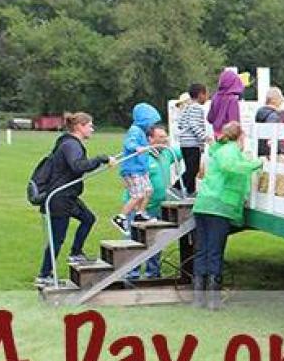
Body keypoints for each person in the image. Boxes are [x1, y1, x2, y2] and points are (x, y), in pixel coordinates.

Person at [35, 112, 114, 287]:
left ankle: (76, 253)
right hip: (59, 197)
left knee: (88, 218)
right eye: (90, 126)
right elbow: (77, 166)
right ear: (79, 126)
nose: (92, 129)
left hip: (68, 196)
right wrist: (100, 159)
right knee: (57, 238)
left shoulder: (68, 143)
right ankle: (44, 275)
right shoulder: (71, 145)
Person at [191, 121, 263, 310]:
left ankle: (199, 298)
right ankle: (213, 299)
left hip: (203, 205)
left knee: (202, 250)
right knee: (214, 251)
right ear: (240, 137)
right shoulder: (230, 150)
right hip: (219, 206)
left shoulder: (218, 149)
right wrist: (256, 164)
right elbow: (230, 166)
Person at [122, 125, 181, 279]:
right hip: (138, 208)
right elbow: (128, 175)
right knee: (134, 241)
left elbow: (186, 152)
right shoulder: (142, 156)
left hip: (158, 208)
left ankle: (153, 273)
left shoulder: (167, 153)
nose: (165, 140)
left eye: (165, 136)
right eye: (161, 137)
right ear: (150, 139)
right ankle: (131, 274)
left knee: (156, 241)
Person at [113, 103, 162, 233]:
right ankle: (120, 217)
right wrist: (137, 148)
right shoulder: (134, 130)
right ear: (144, 120)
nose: (152, 125)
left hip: (141, 168)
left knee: (148, 190)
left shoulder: (142, 131)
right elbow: (129, 143)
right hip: (132, 169)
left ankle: (140, 213)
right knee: (138, 194)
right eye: (151, 122)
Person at [177, 83, 210, 195]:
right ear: (201, 94)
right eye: (206, 94)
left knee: (190, 168)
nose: (207, 97)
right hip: (192, 143)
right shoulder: (197, 108)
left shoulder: (187, 108)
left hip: (184, 143)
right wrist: (205, 138)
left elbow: (181, 124)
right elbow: (194, 125)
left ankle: (191, 191)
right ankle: (176, 187)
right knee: (193, 169)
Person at [254, 87, 284, 160]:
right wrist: (279, 152)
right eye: (280, 97)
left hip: (261, 152)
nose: (282, 100)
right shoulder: (274, 116)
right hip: (273, 153)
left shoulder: (260, 113)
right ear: (274, 100)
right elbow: (273, 136)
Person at [207, 68, 246, 138]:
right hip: (229, 136)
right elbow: (234, 121)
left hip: (217, 135)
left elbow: (210, 118)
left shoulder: (215, 97)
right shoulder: (232, 99)